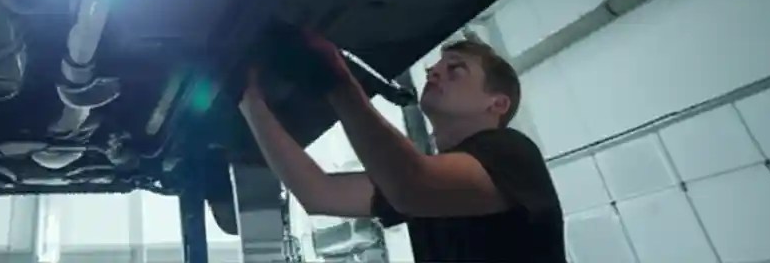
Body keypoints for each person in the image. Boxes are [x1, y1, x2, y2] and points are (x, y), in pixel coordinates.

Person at [240, 34, 566, 262]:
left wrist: (334, 79)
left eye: (456, 68)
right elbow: (319, 193)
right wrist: (250, 102)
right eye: (435, 68)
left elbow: (412, 184)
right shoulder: (423, 179)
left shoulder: (513, 153)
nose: (435, 71)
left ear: (497, 103)